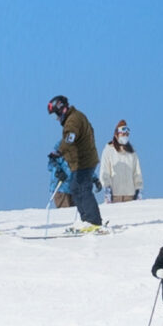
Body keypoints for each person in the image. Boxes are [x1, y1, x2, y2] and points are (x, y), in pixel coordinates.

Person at [46, 95, 104, 228]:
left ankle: (93, 221)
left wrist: (59, 152)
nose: (57, 119)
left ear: (62, 109)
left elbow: (69, 138)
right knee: (75, 188)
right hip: (81, 161)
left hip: (83, 161)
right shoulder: (75, 117)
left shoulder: (73, 120)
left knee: (82, 189)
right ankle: (86, 220)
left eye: (56, 114)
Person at [100, 121, 143, 203]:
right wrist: (107, 190)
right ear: (116, 135)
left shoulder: (132, 153)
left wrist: (139, 189)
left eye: (127, 135)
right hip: (115, 196)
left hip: (130, 196)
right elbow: (105, 171)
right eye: (123, 134)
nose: (125, 136)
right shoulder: (108, 151)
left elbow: (137, 173)